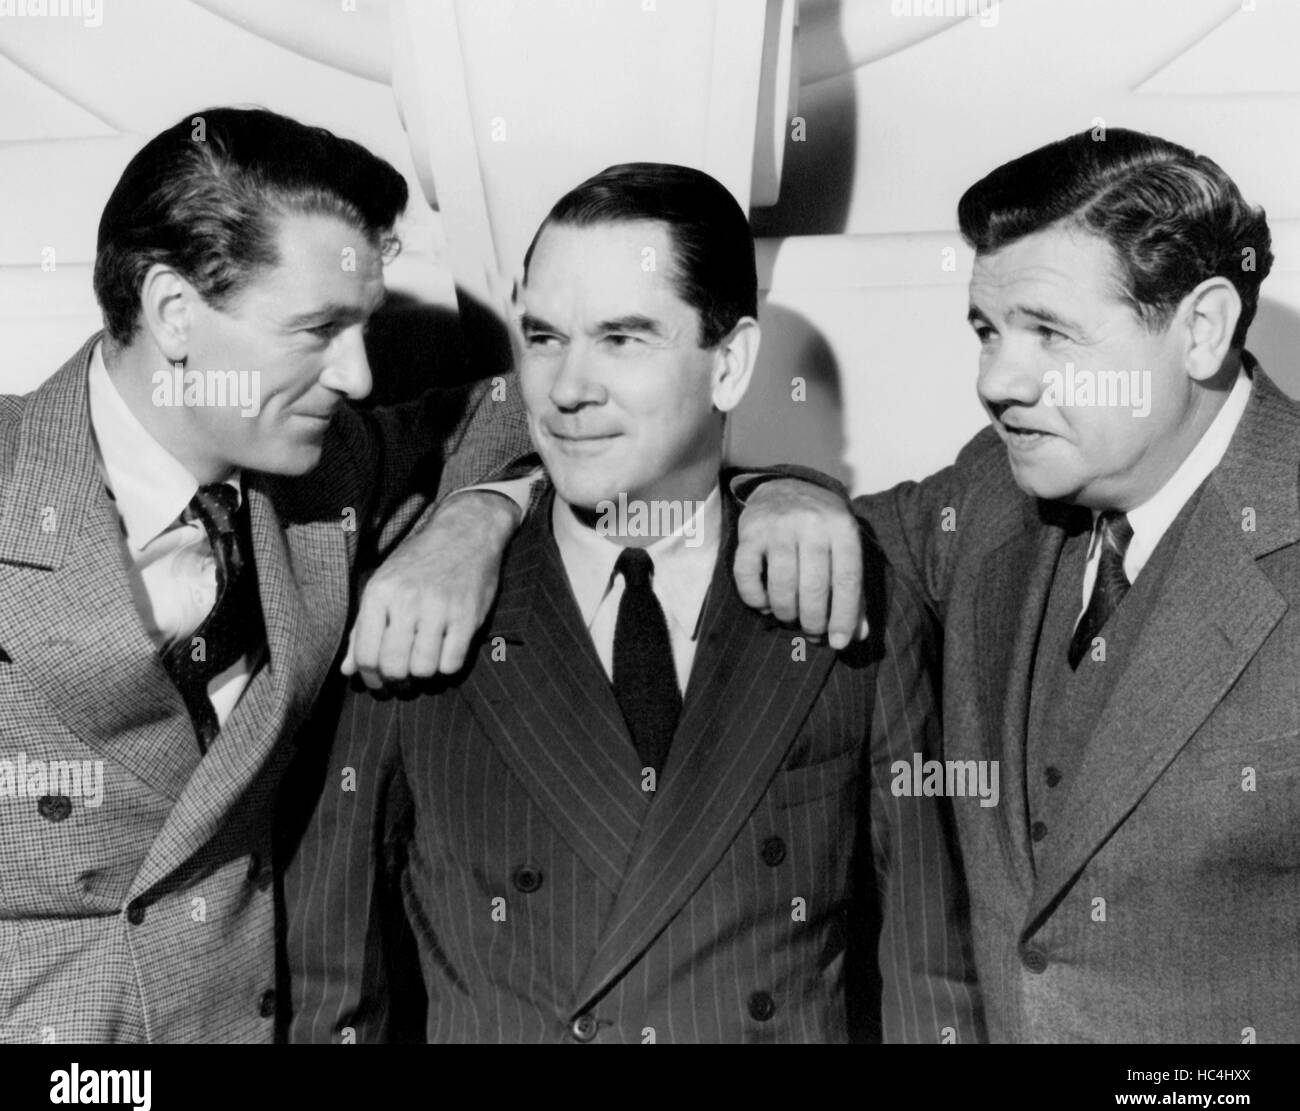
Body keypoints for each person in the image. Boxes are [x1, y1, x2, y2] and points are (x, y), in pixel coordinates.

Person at [284, 163, 980, 1044]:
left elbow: (932, 981)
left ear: (729, 364)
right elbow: (330, 992)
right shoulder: (416, 610)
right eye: (543, 337)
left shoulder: (842, 595)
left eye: (623, 338)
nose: (568, 388)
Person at [740, 128, 1300, 1042]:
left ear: (1200, 329)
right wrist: (779, 486)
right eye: (989, 331)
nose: (996, 380)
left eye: (1049, 332)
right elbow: (844, 539)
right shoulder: (997, 489)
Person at [0, 106, 534, 1043]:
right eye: (318, 328)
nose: (360, 376)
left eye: (361, 326)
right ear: (173, 312)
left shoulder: (331, 472)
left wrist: (481, 511)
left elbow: (538, 402)